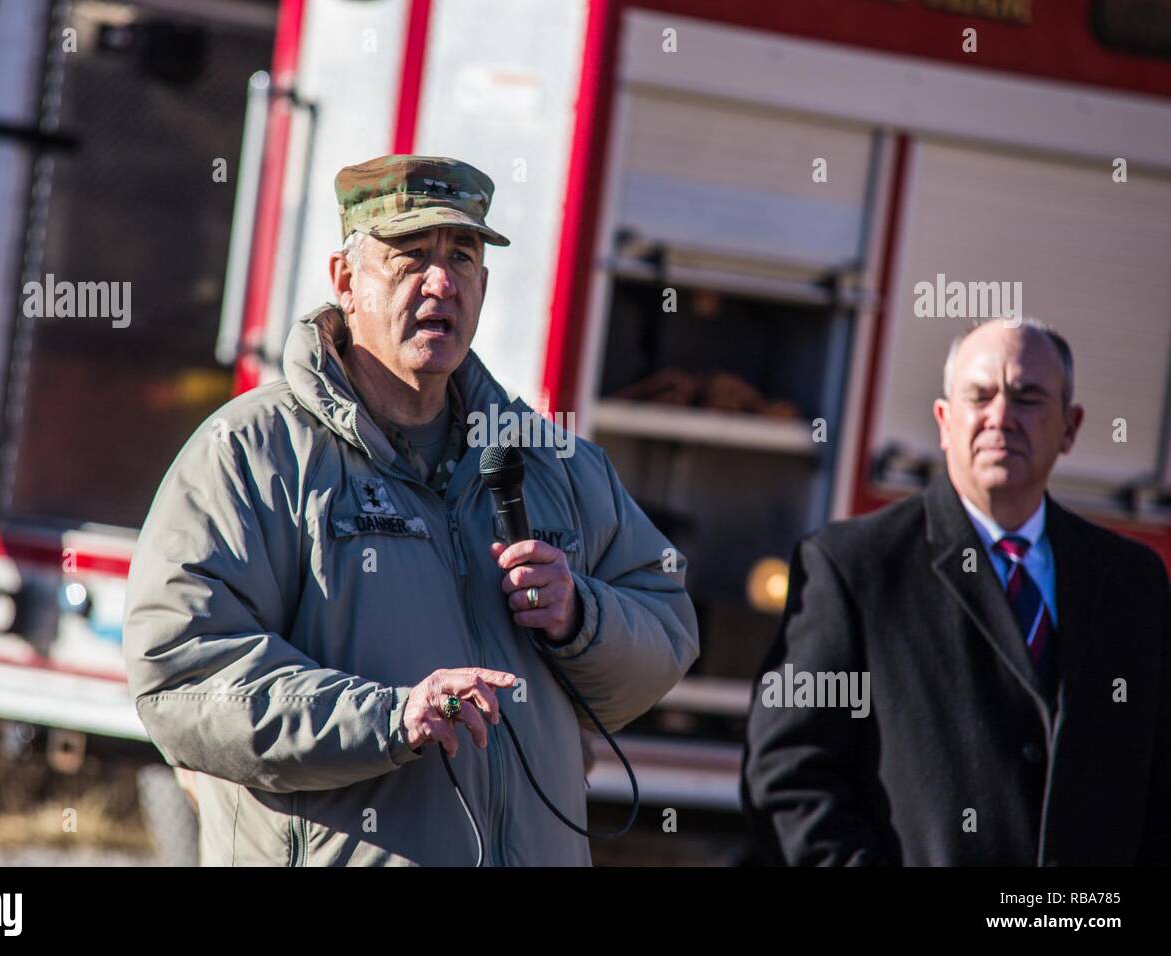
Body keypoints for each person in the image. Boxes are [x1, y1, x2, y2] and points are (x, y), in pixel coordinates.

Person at [122, 154, 699, 866]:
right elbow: (184, 678)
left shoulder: (552, 462)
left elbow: (667, 626)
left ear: (484, 285)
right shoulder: (250, 454)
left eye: (462, 256)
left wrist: (581, 615)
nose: (441, 282)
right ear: (345, 280)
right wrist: (389, 716)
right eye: (409, 256)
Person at [742, 318, 1170, 865]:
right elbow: (788, 773)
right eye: (979, 396)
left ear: (1070, 427)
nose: (1001, 418)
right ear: (944, 421)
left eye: (1028, 398)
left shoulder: (1132, 582)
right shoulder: (854, 568)